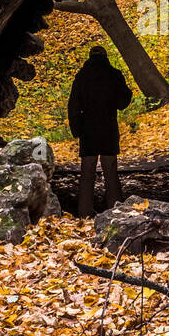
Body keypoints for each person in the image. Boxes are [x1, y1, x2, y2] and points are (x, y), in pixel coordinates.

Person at [67, 45, 132, 217]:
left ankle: (84, 212)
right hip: (108, 127)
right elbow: (122, 103)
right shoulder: (114, 74)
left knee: (87, 172)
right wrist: (128, 92)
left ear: (90, 57)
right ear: (105, 56)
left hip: (88, 129)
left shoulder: (81, 77)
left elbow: (73, 105)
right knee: (110, 170)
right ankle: (116, 209)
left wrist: (76, 129)